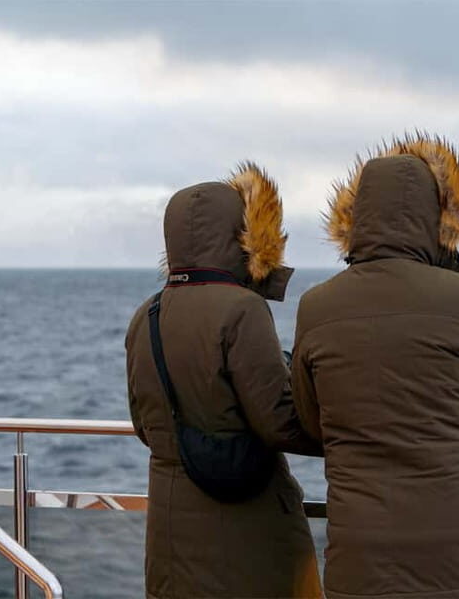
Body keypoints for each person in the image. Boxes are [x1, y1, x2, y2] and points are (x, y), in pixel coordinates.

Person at [291, 133, 459, 599]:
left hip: (362, 564)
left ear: (354, 218)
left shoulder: (316, 307)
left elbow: (309, 418)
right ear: (435, 217)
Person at [125, 163, 323, 599]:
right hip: (247, 533)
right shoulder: (242, 309)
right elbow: (279, 422)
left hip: (171, 532)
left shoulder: (148, 314)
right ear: (244, 237)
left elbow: (144, 425)